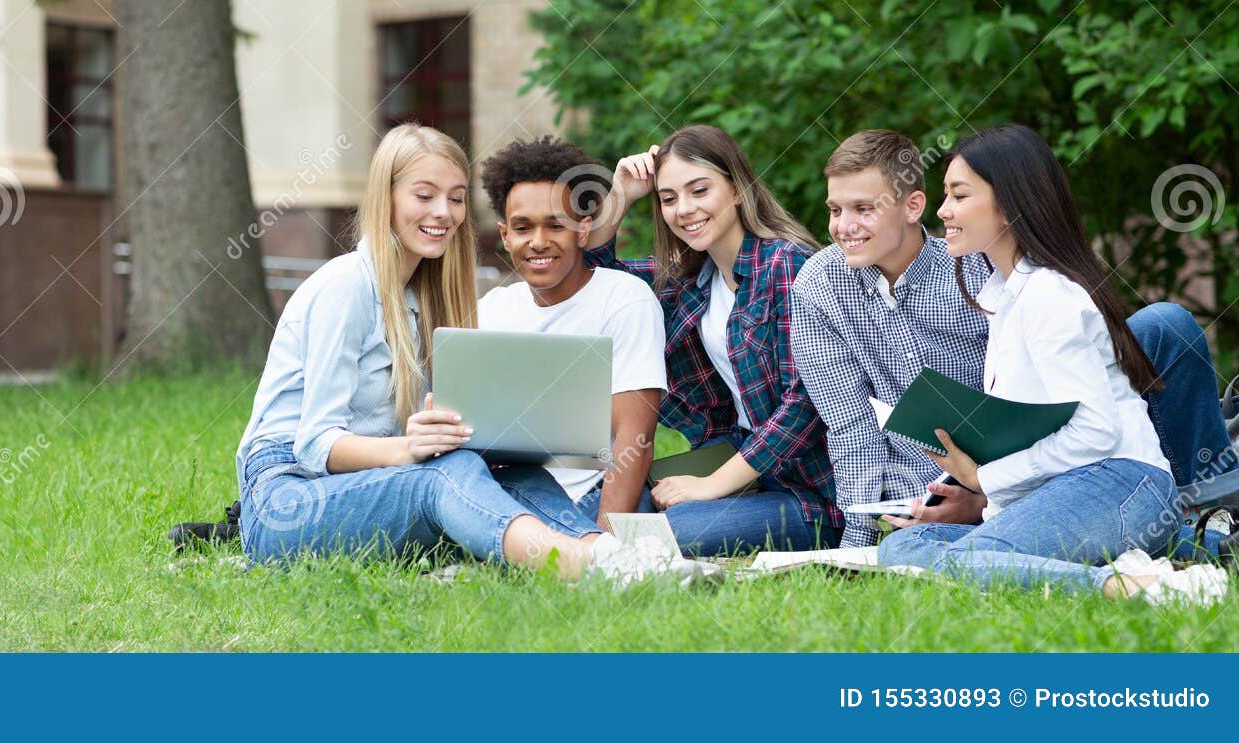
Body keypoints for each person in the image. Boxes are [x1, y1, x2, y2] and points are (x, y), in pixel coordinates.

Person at [235, 124, 694, 584]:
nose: (444, 212)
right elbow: (315, 445)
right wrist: (410, 449)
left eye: (455, 198)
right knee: (445, 473)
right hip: (287, 501)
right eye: (424, 195)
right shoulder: (346, 286)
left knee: (507, 468)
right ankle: (578, 567)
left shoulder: (425, 298)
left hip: (368, 490)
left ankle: (612, 554)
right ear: (386, 199)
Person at [791, 129, 1237, 552]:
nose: (843, 226)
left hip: (1048, 459)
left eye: (863, 209)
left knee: (1162, 326)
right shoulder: (820, 285)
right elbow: (852, 427)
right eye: (834, 210)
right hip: (953, 482)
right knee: (922, 549)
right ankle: (1179, 535)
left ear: (912, 206)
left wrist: (986, 490)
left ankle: (1209, 507)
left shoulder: (984, 264)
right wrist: (857, 540)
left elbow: (1067, 414)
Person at [579, 125, 840, 556]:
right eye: (668, 198)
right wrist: (620, 196)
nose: (684, 209)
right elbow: (594, 278)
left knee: (665, 532)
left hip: (810, 490)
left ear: (736, 189)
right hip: (738, 459)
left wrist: (710, 487)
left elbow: (805, 404)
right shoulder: (691, 281)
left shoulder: (786, 265)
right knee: (618, 510)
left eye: (699, 190)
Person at [473, 136, 667, 533]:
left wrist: (605, 540)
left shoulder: (624, 298)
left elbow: (634, 439)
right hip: (504, 491)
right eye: (523, 228)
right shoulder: (492, 309)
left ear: (582, 229)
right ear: (505, 235)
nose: (538, 242)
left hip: (588, 495)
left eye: (554, 225)